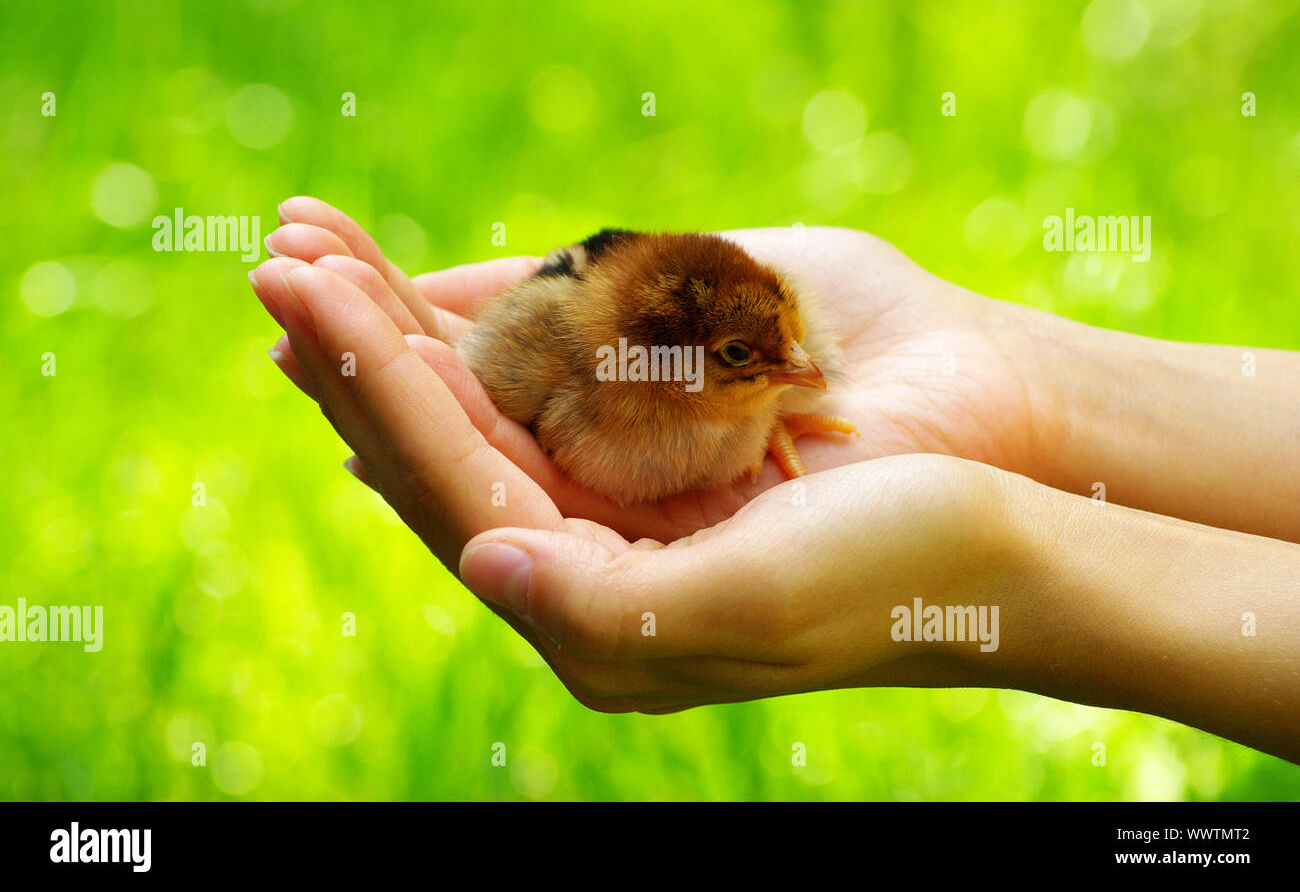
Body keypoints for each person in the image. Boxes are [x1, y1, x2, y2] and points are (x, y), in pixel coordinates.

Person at [248, 197, 1300, 764]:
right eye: (750, 364)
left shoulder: (761, 356)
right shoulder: (580, 371)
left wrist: (1006, 556)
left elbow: (797, 361)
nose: (797, 370)